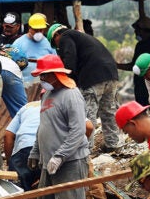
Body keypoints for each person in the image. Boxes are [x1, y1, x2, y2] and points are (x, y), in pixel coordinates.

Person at [27, 54, 89, 199]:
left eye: (44, 75)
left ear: (55, 74)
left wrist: (60, 155)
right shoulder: (47, 94)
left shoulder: (71, 95)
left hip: (70, 162)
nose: (41, 79)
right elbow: (44, 125)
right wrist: (36, 151)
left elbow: (78, 130)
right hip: (49, 162)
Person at [47, 23, 120, 153]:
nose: (57, 47)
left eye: (55, 43)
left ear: (56, 35)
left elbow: (69, 62)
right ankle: (113, 144)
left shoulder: (65, 36)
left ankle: (87, 149)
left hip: (93, 77)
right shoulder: (82, 37)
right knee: (108, 111)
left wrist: (67, 82)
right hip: (111, 73)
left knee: (87, 113)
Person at [117, 16, 150, 106]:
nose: (135, 32)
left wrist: (117, 65)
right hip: (140, 84)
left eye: (137, 30)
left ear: (142, 30)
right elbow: (134, 65)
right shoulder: (140, 45)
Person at [4, 100, 41, 191]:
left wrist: (11, 162)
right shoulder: (62, 104)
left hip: (24, 147)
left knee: (15, 191)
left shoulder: (27, 107)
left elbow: (8, 135)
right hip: (47, 149)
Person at [12, 13, 56, 82]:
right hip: (25, 85)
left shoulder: (49, 43)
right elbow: (12, 65)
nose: (38, 33)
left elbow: (55, 63)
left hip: (44, 84)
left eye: (41, 30)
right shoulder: (18, 43)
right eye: (35, 30)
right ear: (29, 28)